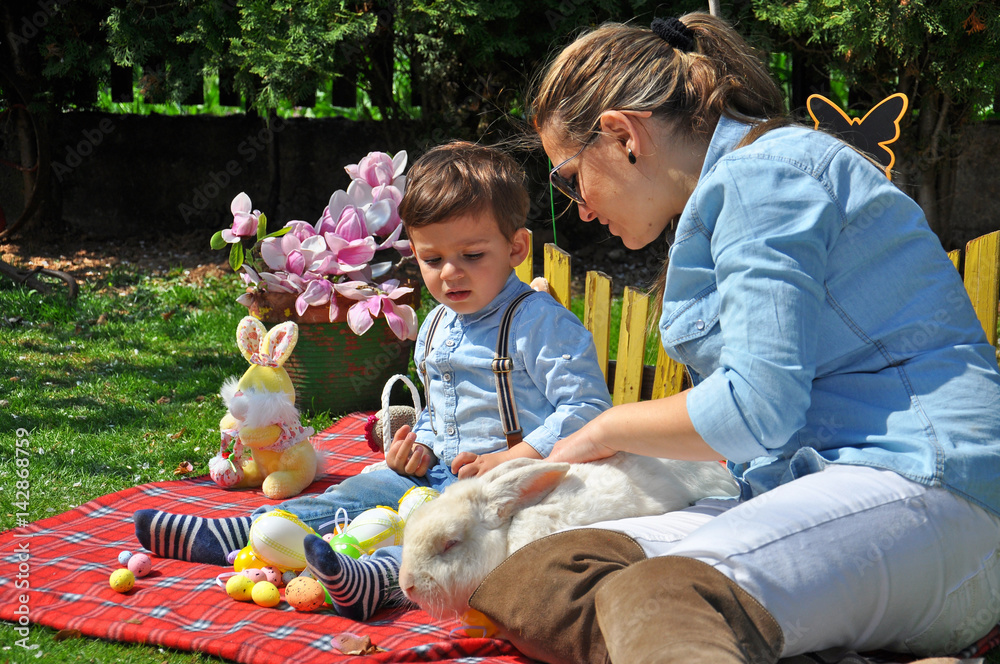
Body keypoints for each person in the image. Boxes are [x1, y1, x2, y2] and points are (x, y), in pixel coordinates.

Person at [464, 13, 1000, 664]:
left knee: (671, 598)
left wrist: (606, 430)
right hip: (827, 497)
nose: (579, 207)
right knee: (535, 578)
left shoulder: (763, 176)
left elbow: (756, 408)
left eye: (570, 177)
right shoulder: (738, 188)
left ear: (621, 135)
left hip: (930, 495)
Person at [134, 141, 612, 621]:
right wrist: (418, 445)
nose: (449, 273)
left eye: (471, 254)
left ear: (516, 247)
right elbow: (439, 412)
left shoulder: (538, 324)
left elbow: (588, 410)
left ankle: (374, 582)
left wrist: (514, 457)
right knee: (357, 495)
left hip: (500, 492)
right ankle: (249, 534)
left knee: (438, 537)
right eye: (431, 259)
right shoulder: (437, 324)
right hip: (431, 472)